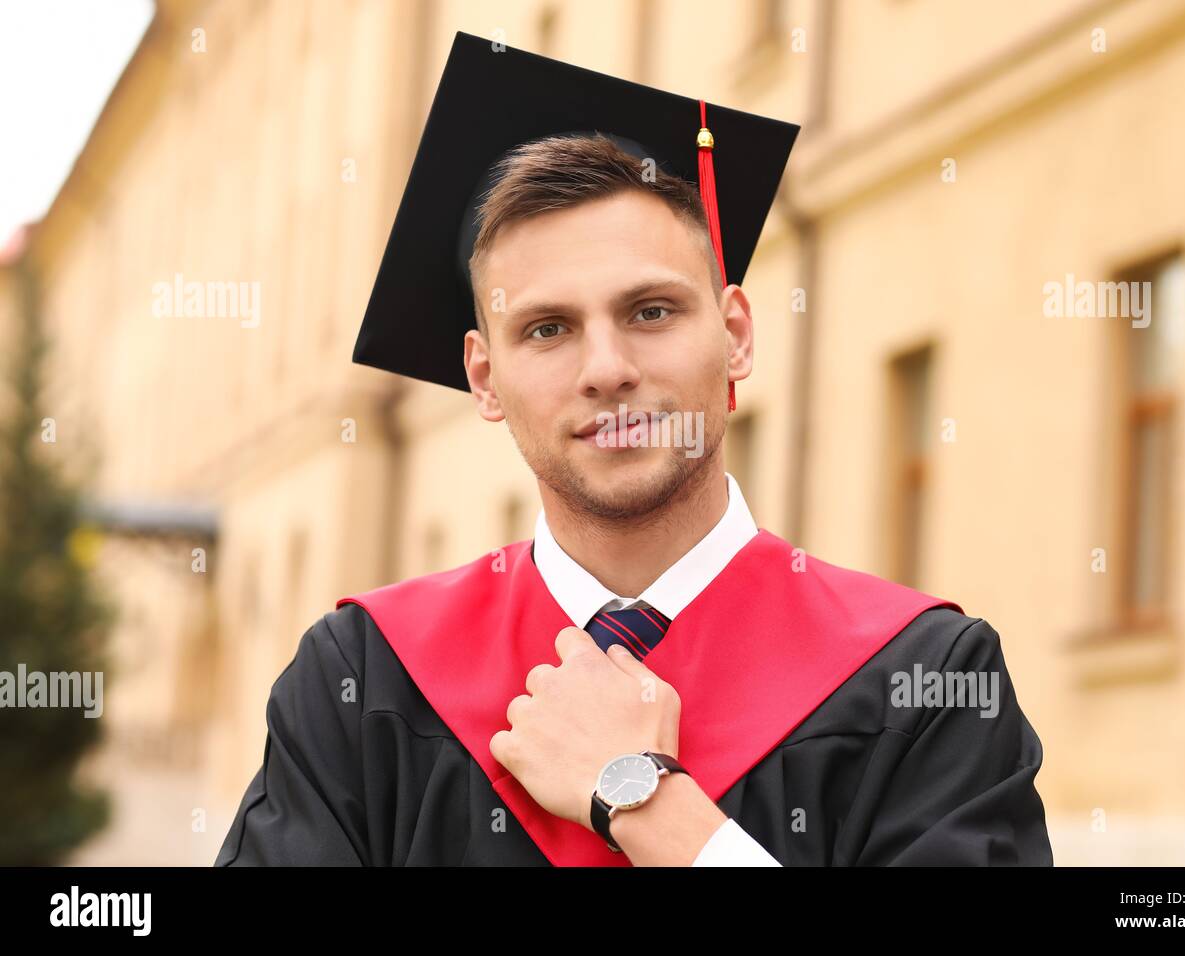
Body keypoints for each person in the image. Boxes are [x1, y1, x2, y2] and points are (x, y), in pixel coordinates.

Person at [216, 31, 1052, 867]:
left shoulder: (926, 680)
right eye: (547, 329)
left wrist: (646, 800)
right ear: (484, 377)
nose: (607, 370)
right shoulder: (363, 682)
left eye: (651, 311)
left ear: (734, 336)